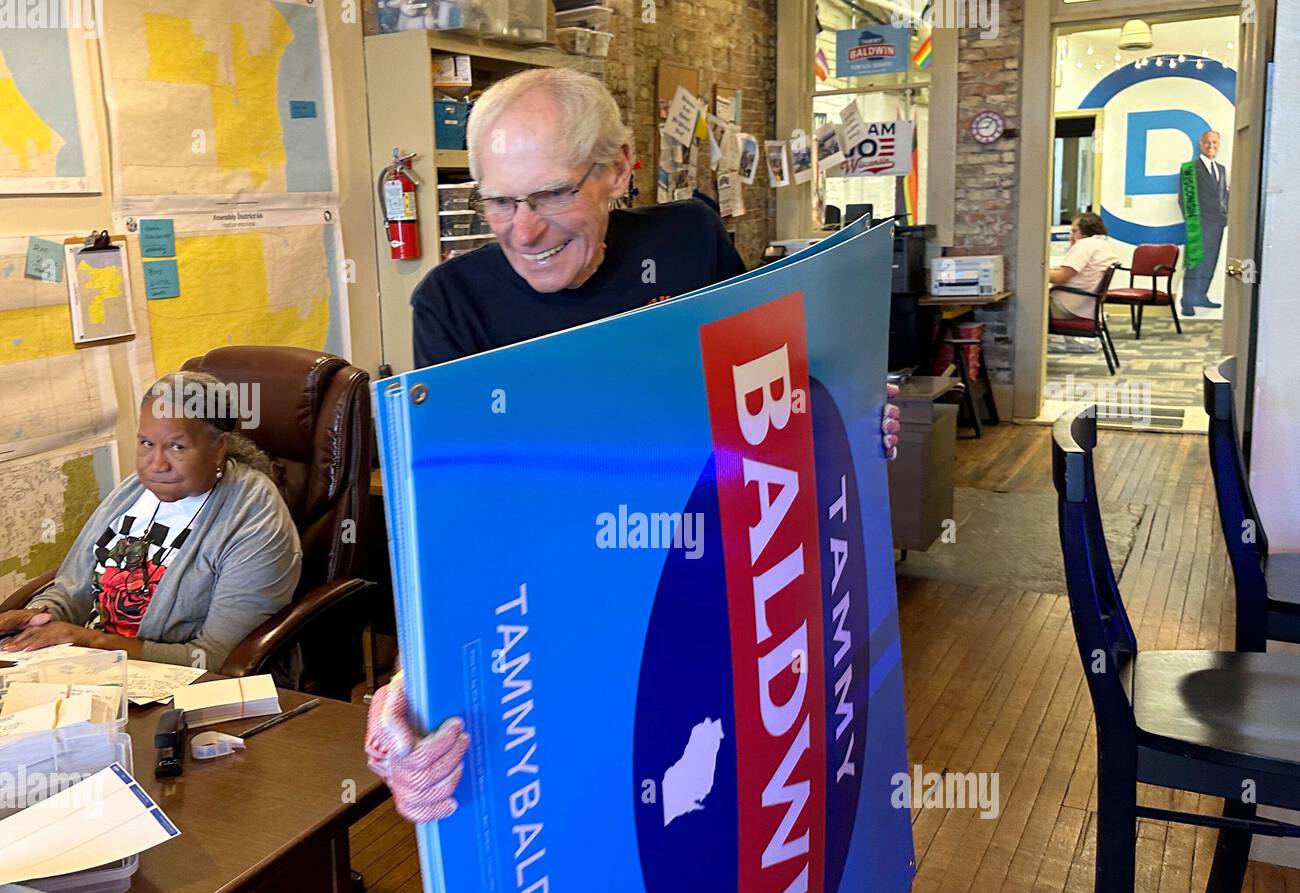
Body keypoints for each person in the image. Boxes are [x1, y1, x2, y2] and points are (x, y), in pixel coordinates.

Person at [374, 68, 901, 823]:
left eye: (552, 194)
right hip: (568, 638)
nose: (524, 230)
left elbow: (772, 391)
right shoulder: (452, 307)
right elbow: (462, 518)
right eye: (498, 200)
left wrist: (850, 420)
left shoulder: (689, 240)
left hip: (726, 605)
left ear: (619, 169)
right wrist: (408, 678)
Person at [0, 372, 302, 670]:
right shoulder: (133, 492)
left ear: (219, 447)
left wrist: (93, 643)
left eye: (177, 447)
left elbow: (217, 659)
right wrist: (37, 617)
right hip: (91, 669)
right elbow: (72, 591)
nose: (156, 464)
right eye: (146, 443)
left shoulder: (254, 516)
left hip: (185, 689)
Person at [1179, 129, 1229, 316]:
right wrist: (1194, 222)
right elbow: (1184, 199)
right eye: (1208, 142)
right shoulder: (1190, 168)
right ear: (1201, 144)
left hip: (1217, 225)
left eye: (1215, 143)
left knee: (1210, 262)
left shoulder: (1221, 169)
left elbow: (1223, 195)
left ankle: (1201, 296)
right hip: (1198, 226)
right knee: (1195, 263)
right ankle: (1187, 301)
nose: (1211, 146)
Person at [1048, 211, 1115, 322]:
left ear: (1085, 231)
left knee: (1026, 302)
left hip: (1066, 307)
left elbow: (1061, 277)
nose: (1071, 236)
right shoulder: (1102, 245)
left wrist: (1039, 271)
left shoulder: (1084, 245)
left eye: (1074, 231)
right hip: (1084, 305)